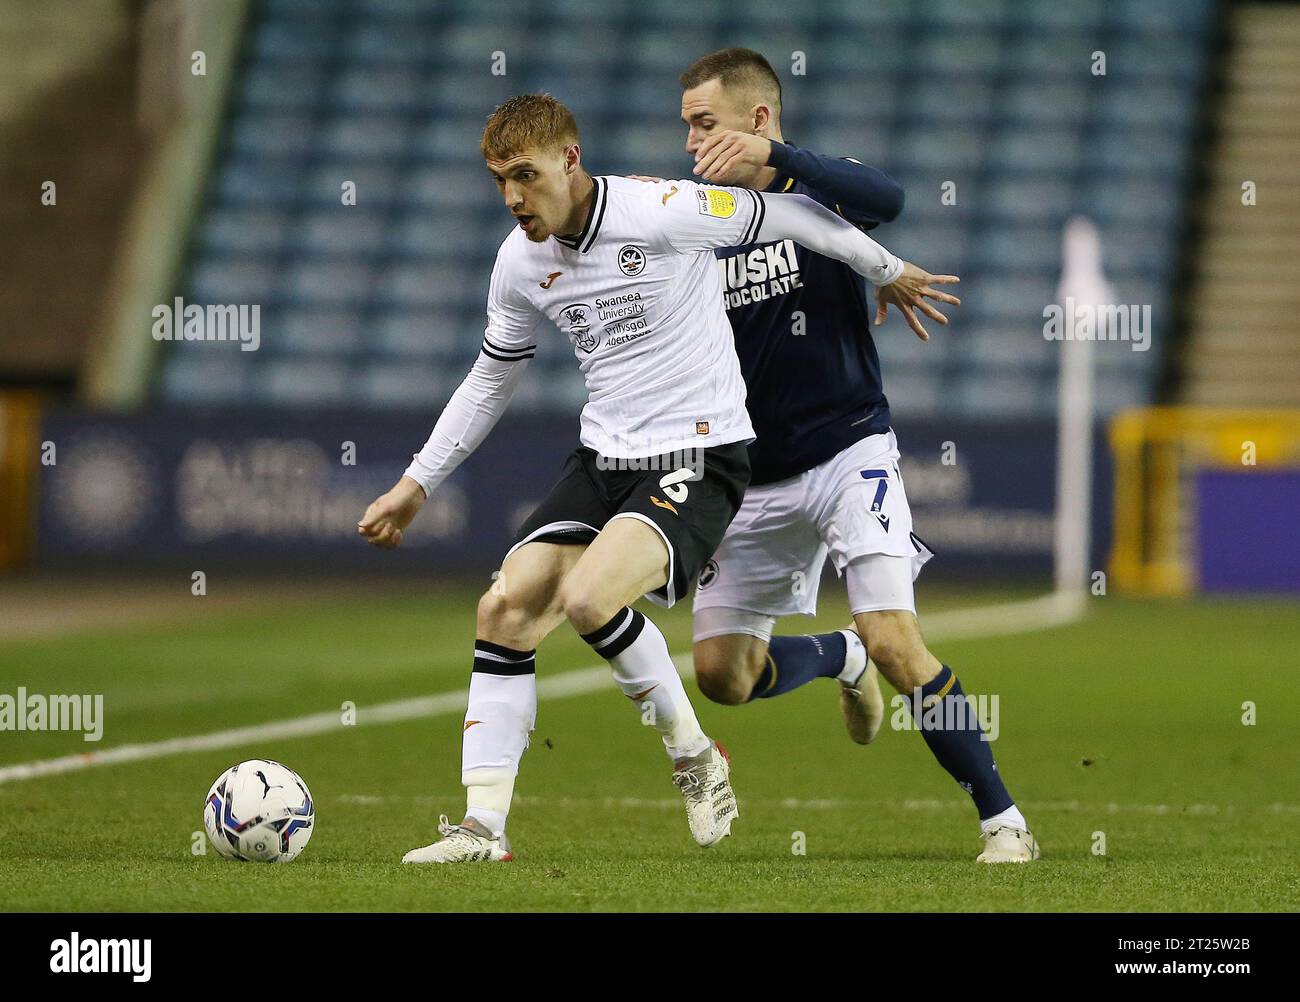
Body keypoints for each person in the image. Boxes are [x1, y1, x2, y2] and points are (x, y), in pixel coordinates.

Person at [357, 92, 957, 863]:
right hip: (605, 458)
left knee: (587, 598)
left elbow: (800, 218)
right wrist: (417, 484)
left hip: (699, 456)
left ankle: (696, 758)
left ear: (570, 160)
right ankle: (482, 829)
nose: (512, 197)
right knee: (505, 608)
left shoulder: (663, 209)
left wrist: (890, 268)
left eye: (525, 175)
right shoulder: (519, 262)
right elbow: (489, 377)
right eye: (499, 179)